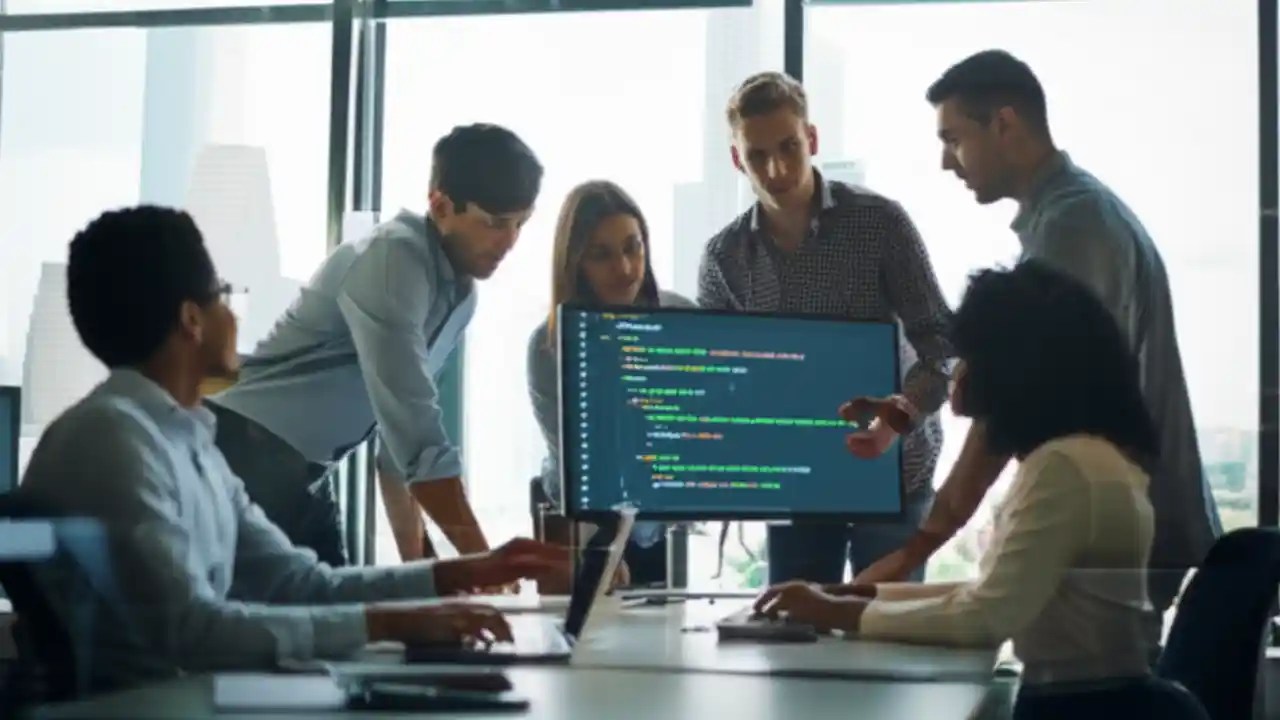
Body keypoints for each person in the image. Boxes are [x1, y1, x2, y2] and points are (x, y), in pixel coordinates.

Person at [17, 206, 566, 689]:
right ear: (192, 320)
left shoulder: (187, 441)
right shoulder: (113, 440)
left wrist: (463, 573)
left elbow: (300, 583)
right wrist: (392, 623)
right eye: (222, 295)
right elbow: (192, 631)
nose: (234, 316)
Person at [851, 50, 1221, 655]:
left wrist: (919, 546)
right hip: (1120, 516)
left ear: (1004, 123)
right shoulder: (1067, 216)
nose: (945, 161)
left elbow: (1022, 395)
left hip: (1120, 524)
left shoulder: (1075, 226)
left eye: (953, 139)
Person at [757, 261, 1160, 711]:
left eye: (970, 357)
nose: (958, 373)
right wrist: (856, 594)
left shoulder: (1065, 466)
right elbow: (991, 593)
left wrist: (835, 612)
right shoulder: (1090, 459)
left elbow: (985, 617)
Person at [208, 123, 544, 567]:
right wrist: (486, 564)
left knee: (347, 604)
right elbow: (419, 441)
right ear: (441, 206)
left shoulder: (460, 294)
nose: (510, 242)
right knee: (299, 609)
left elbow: (399, 452)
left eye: (521, 223)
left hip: (304, 473)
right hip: (241, 452)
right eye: (495, 223)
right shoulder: (392, 261)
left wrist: (427, 573)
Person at [697, 71, 953, 585]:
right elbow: (721, 381)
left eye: (789, 147)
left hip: (896, 473)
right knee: (796, 627)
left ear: (811, 140)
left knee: (887, 627)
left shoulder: (881, 224)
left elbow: (942, 346)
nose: (776, 168)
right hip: (798, 485)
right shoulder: (723, 258)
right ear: (737, 160)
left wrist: (896, 420)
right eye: (757, 155)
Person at [526, 180, 694, 590]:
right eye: (601, 255)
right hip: (584, 525)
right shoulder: (549, 346)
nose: (625, 269)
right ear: (575, 263)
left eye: (633, 248)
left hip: (662, 521)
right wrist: (607, 548)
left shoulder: (682, 319)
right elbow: (574, 461)